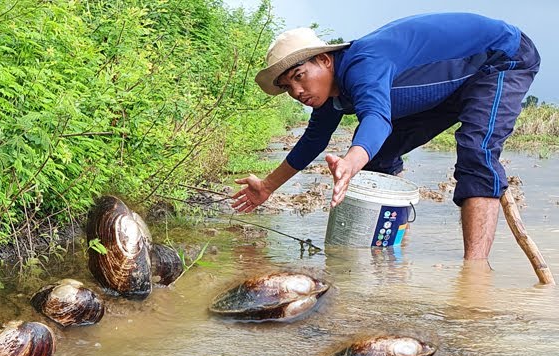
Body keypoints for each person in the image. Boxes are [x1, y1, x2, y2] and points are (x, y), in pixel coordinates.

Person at [231, 13, 540, 260]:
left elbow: (377, 118)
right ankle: (390, 252)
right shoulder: (329, 94)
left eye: (299, 77)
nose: (297, 91)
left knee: (476, 152)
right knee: (377, 157)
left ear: (324, 60)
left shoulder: (363, 64)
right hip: (448, 82)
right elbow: (313, 140)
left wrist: (351, 161)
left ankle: (474, 277)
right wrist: (267, 187)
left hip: (500, 58)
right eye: (288, 87)